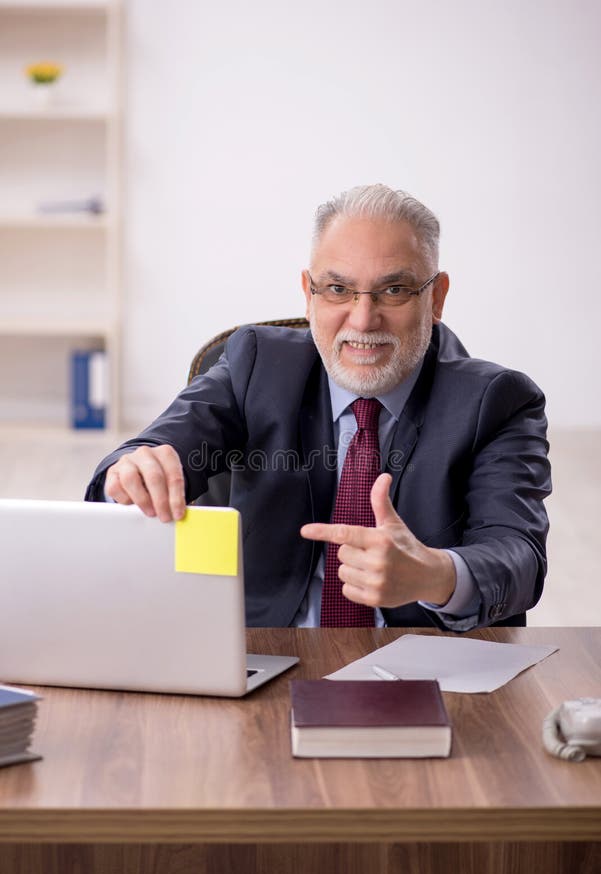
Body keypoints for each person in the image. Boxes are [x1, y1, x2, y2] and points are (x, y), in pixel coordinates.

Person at [86, 184, 551, 630]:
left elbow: (519, 556)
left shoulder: (498, 402)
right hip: (261, 653)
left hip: (422, 665)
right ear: (308, 294)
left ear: (437, 297)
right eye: (337, 289)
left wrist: (437, 574)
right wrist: (130, 472)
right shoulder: (256, 363)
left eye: (394, 290)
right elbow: (153, 447)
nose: (363, 319)